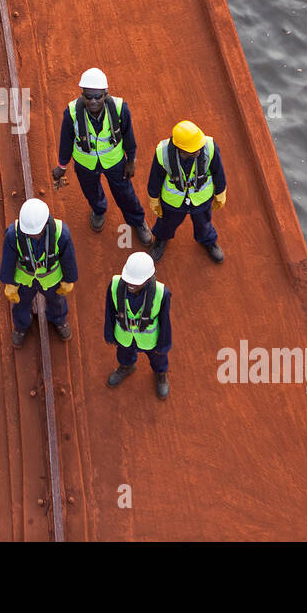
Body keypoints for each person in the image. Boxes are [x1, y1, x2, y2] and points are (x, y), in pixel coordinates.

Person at [51, 67, 152, 245]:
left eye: (98, 96)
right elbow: (66, 140)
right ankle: (99, 210)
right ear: (82, 94)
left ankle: (138, 222)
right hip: (85, 164)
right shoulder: (72, 112)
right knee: (91, 191)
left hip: (114, 162)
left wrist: (131, 160)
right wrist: (62, 165)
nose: (93, 101)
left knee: (125, 193)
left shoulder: (120, 109)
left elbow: (129, 136)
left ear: (105, 93)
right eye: (88, 96)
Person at [0, 198, 78, 348]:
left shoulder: (61, 233)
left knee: (57, 301)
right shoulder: (12, 234)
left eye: (36, 233)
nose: (33, 235)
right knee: (21, 303)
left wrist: (69, 279)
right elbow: (8, 260)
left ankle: (59, 320)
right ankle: (21, 326)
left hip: (51, 280)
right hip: (25, 280)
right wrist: (10, 283)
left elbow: (68, 258)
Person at [147, 120, 227, 263]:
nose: (199, 149)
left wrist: (220, 192)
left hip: (201, 198)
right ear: (181, 148)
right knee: (166, 222)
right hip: (173, 201)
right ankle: (161, 239)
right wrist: (154, 197)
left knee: (204, 223)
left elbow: (218, 171)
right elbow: (155, 177)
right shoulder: (162, 152)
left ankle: (208, 241)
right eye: (194, 149)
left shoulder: (209, 146)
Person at [104, 251, 172, 399]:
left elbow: (165, 322)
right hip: (124, 335)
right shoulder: (115, 285)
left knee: (158, 358)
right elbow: (109, 309)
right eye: (129, 280)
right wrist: (109, 332)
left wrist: (163, 345)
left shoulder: (162, 294)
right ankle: (126, 366)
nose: (131, 284)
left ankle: (161, 374)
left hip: (150, 340)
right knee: (123, 353)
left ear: (148, 279)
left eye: (136, 282)